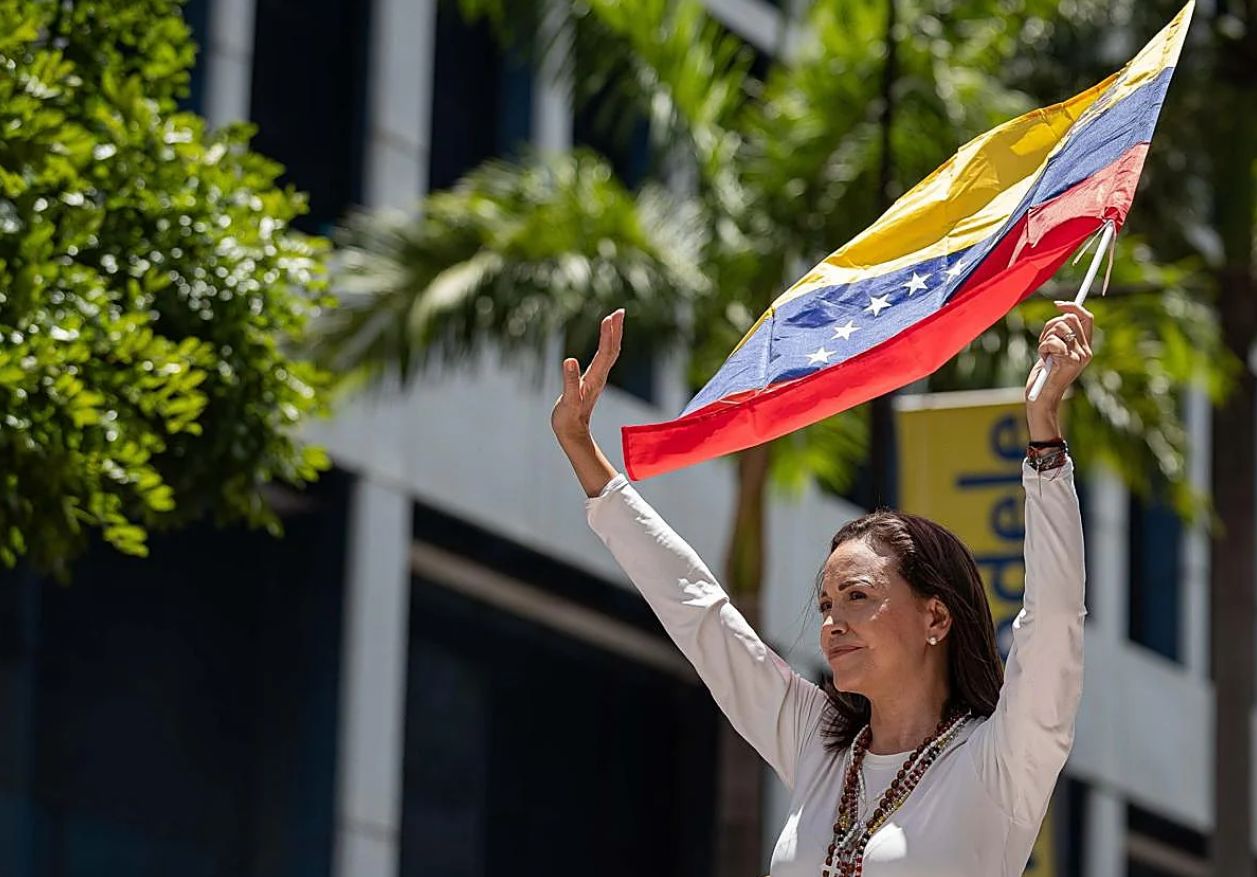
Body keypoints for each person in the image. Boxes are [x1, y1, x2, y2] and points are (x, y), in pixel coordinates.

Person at [551, 303, 1092, 876]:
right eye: (828, 605)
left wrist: (1044, 437)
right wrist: (582, 448)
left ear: (936, 617)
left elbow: (1054, 620)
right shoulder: (820, 745)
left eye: (857, 596)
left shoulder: (1001, 760)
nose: (833, 624)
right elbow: (698, 610)